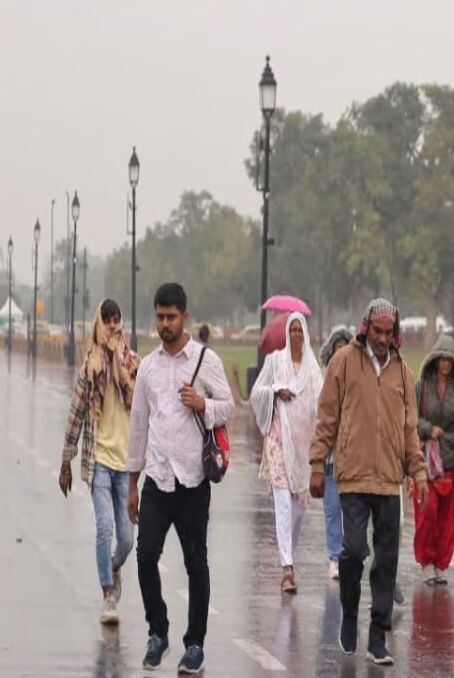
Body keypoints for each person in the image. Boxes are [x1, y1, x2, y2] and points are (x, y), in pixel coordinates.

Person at [309, 298, 427, 668]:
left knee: (387, 561)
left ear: (395, 335)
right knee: (355, 550)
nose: (382, 338)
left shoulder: (403, 372)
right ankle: (349, 612)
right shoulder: (343, 362)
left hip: (390, 478)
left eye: (389, 333)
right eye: (377, 331)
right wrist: (316, 463)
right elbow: (327, 415)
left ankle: (377, 636)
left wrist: (418, 472)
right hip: (353, 476)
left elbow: (410, 428)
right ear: (365, 329)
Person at [126, 283, 234, 674]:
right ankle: (158, 631)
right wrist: (132, 484)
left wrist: (203, 403)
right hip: (157, 478)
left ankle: (195, 644)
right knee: (144, 556)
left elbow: (229, 407)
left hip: (192, 480)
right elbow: (138, 425)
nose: (164, 324)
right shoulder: (149, 368)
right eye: (159, 317)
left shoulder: (205, 360)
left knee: (196, 563)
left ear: (185, 316)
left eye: (171, 317)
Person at [58, 299, 140, 625]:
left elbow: (147, 412)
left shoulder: (134, 366)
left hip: (126, 467)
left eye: (116, 319)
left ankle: (114, 566)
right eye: (107, 320)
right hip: (100, 463)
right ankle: (108, 594)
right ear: (98, 324)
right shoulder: (89, 370)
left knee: (127, 540)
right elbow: (75, 417)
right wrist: (66, 463)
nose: (112, 326)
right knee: (104, 529)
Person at [251, 312, 324, 594]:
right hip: (279, 440)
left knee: (298, 509)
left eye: (299, 330)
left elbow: (321, 405)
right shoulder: (275, 361)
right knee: (281, 502)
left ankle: (288, 555)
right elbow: (258, 391)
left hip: (303, 445)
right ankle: (286, 569)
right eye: (292, 330)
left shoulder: (312, 368)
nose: (296, 335)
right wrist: (276, 390)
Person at [413, 333, 454, 585]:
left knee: (447, 519)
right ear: (434, 360)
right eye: (441, 359)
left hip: (450, 461)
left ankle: (440, 563)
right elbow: (410, 420)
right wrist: (429, 429)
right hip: (426, 462)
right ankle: (426, 562)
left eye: (450, 360)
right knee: (427, 514)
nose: (445, 364)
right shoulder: (421, 388)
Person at [318, 326, 354, 581]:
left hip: (353, 460)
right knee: (332, 510)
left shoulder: (358, 383)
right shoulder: (322, 381)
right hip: (330, 459)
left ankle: (349, 555)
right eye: (336, 349)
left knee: (353, 512)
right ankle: (334, 557)